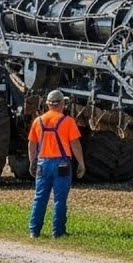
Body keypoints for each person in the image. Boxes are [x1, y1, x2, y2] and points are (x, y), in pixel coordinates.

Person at [27, 90, 86, 239]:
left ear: (47, 104)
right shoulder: (67, 121)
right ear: (62, 104)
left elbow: (32, 144)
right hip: (62, 164)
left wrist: (32, 161)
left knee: (40, 197)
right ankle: (57, 232)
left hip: (42, 163)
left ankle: (34, 231)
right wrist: (81, 163)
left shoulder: (38, 121)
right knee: (60, 199)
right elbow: (75, 144)